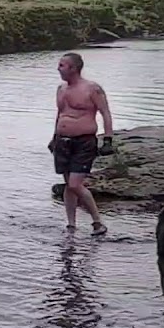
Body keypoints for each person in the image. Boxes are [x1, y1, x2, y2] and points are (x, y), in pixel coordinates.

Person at [50, 52, 114, 236]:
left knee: (75, 184)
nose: (58, 68)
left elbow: (105, 113)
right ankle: (71, 225)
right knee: (67, 184)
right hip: (63, 141)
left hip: (84, 141)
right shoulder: (61, 89)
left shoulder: (92, 89)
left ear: (74, 68)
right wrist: (54, 137)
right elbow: (60, 115)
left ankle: (97, 222)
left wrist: (108, 139)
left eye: (62, 65)